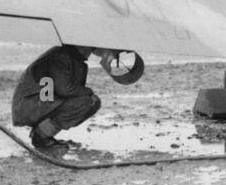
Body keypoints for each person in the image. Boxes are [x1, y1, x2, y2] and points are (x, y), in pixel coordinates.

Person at [11, 45, 143, 150]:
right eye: (91, 48)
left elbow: (64, 90)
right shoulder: (60, 57)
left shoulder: (70, 57)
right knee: (85, 102)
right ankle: (41, 136)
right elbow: (65, 90)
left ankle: (43, 132)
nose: (93, 52)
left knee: (89, 101)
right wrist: (88, 92)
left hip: (38, 103)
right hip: (29, 105)